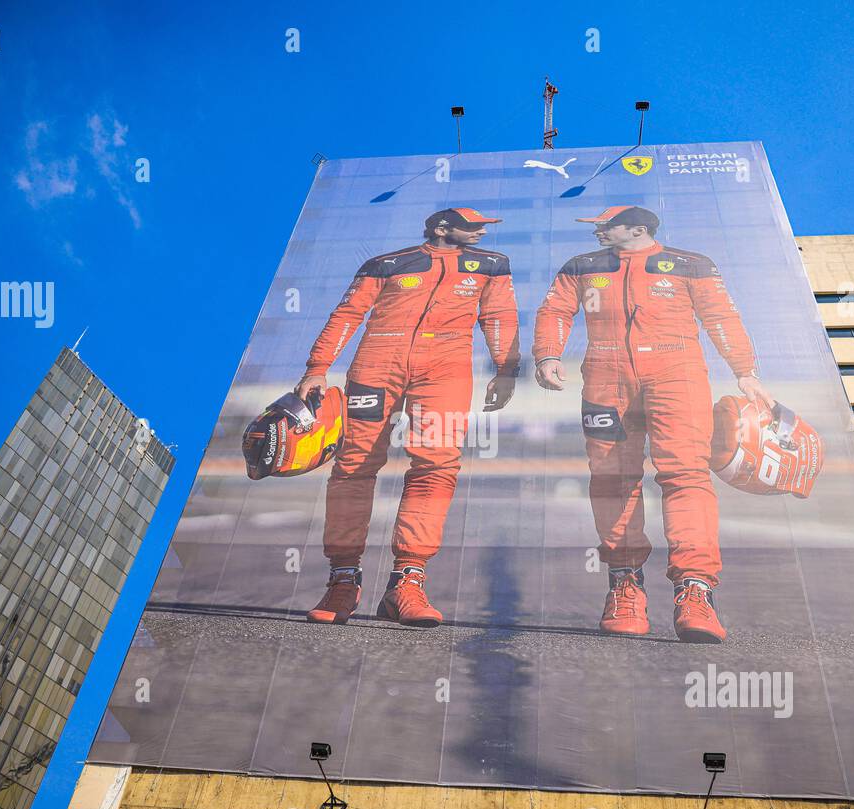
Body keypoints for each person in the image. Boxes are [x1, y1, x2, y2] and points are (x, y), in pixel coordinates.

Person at [532, 206, 773, 640]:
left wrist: (745, 370)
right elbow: (554, 312)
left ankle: (695, 589)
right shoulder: (581, 267)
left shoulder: (691, 263)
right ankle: (625, 585)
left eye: (607, 227)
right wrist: (548, 354)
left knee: (685, 473)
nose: (600, 233)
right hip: (605, 376)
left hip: (677, 371)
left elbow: (721, 317)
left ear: (638, 229)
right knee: (611, 478)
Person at [296, 207, 520, 627]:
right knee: (354, 466)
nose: (479, 232)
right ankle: (342, 580)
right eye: (472, 226)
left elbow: (499, 317)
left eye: (482, 228)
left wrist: (506, 370)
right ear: (440, 228)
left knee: (436, 464)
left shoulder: (492, 265)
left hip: (446, 368)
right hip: (376, 363)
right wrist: (317, 367)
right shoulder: (386, 264)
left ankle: (408, 580)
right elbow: (347, 315)